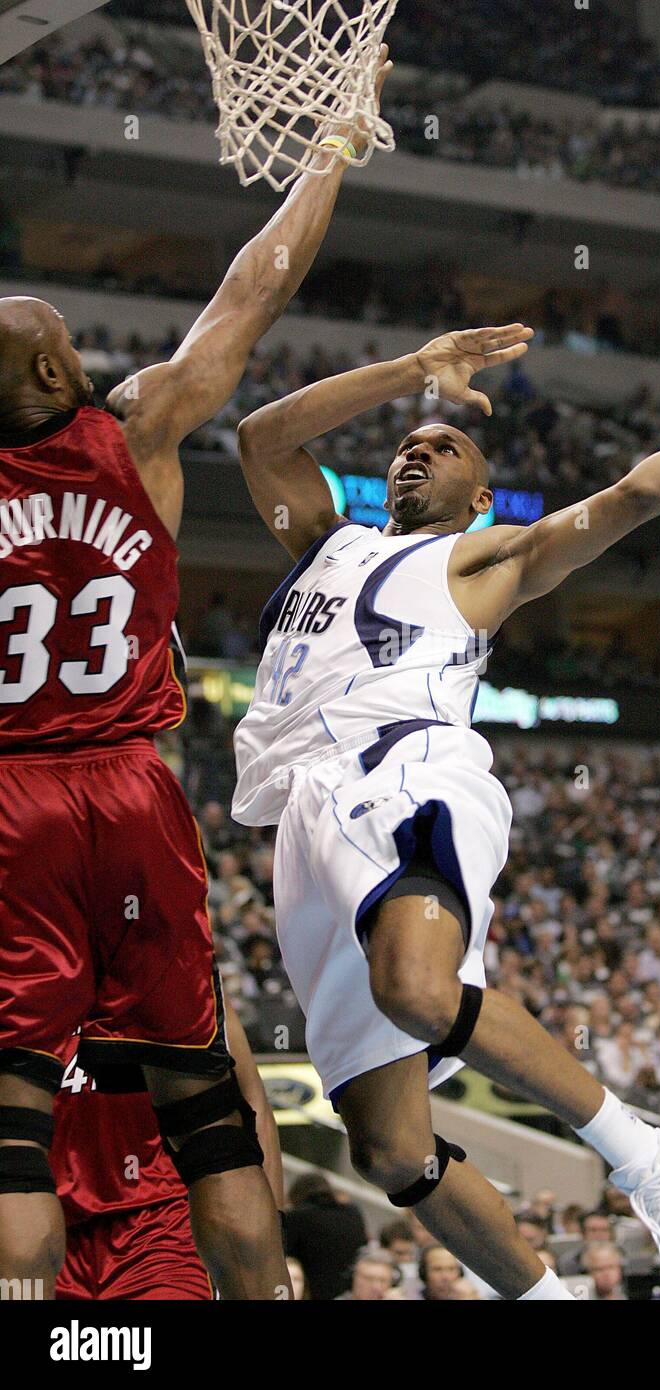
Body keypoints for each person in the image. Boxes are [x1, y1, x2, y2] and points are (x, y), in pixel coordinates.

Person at [232, 308, 660, 1301]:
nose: (417, 448)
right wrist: (413, 372)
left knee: (417, 989)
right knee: (389, 1149)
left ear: (477, 495)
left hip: (406, 773)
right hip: (302, 825)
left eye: (445, 444)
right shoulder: (323, 545)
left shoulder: (480, 560)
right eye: (408, 444)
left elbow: (637, 493)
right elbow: (260, 436)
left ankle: (653, 1158)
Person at [0, 48, 392, 1299]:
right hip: (134, 789)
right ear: (60, 376)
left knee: (13, 1119)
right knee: (207, 1105)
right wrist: (332, 145)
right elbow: (249, 291)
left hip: (13, 805)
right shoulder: (138, 429)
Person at [52, 1001, 283, 1300]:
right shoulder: (29, 982)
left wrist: (273, 1236)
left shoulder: (181, 978)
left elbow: (252, 1101)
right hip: (48, 1226)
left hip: (161, 1225)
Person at [280, 1171, 367, 1301]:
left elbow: (285, 1253)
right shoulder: (353, 1213)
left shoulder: (297, 1217)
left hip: (309, 1289)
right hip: (343, 1290)